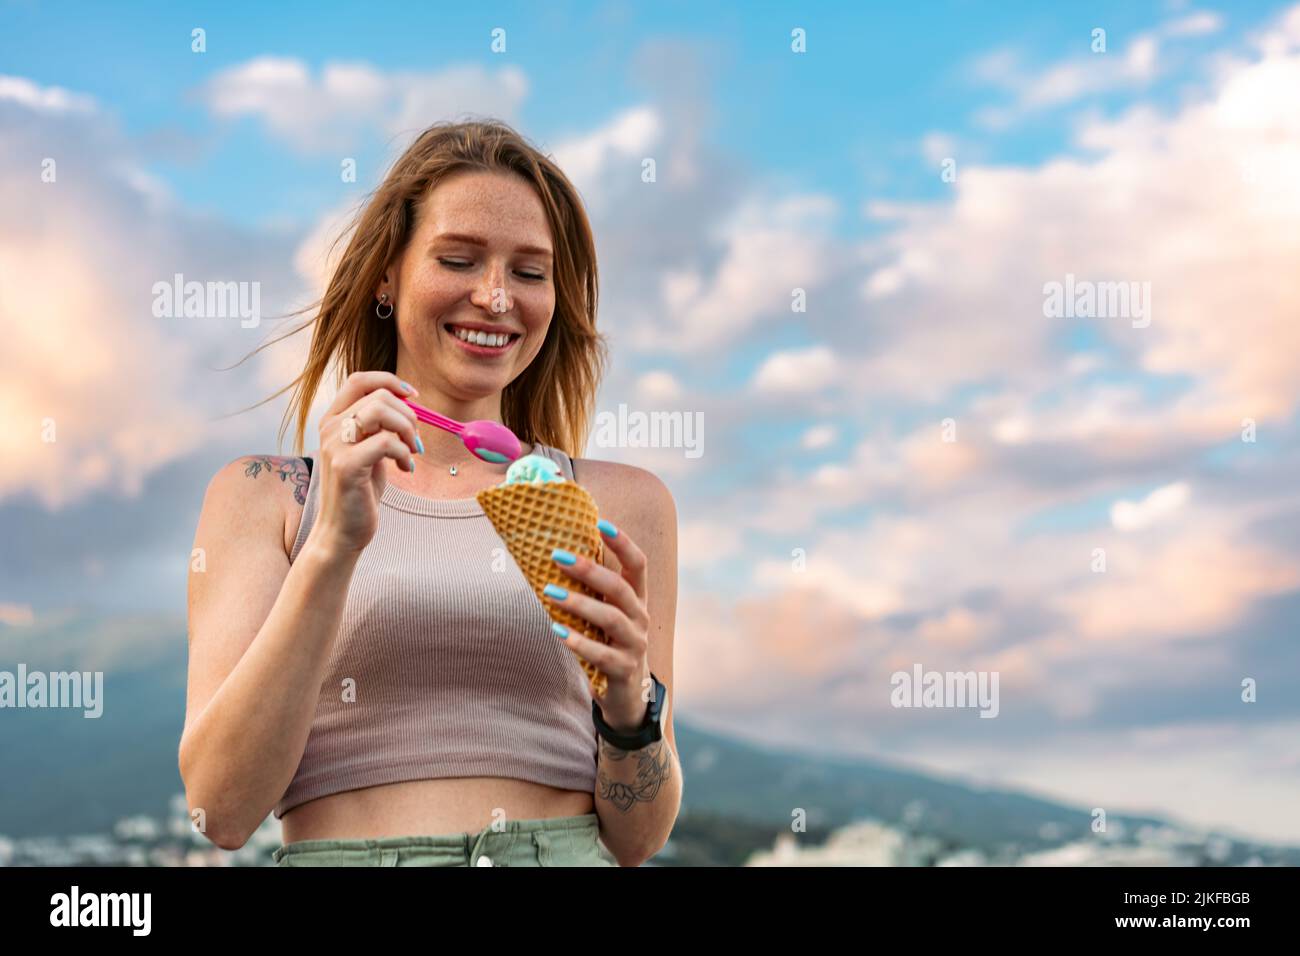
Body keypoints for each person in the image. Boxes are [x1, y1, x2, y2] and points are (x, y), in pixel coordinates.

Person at [180, 119, 680, 867]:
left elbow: (639, 840)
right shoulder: (268, 497)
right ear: (387, 275)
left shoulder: (621, 504)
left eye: (531, 272)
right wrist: (333, 548)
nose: (495, 296)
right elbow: (218, 809)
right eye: (458, 258)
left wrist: (627, 699)